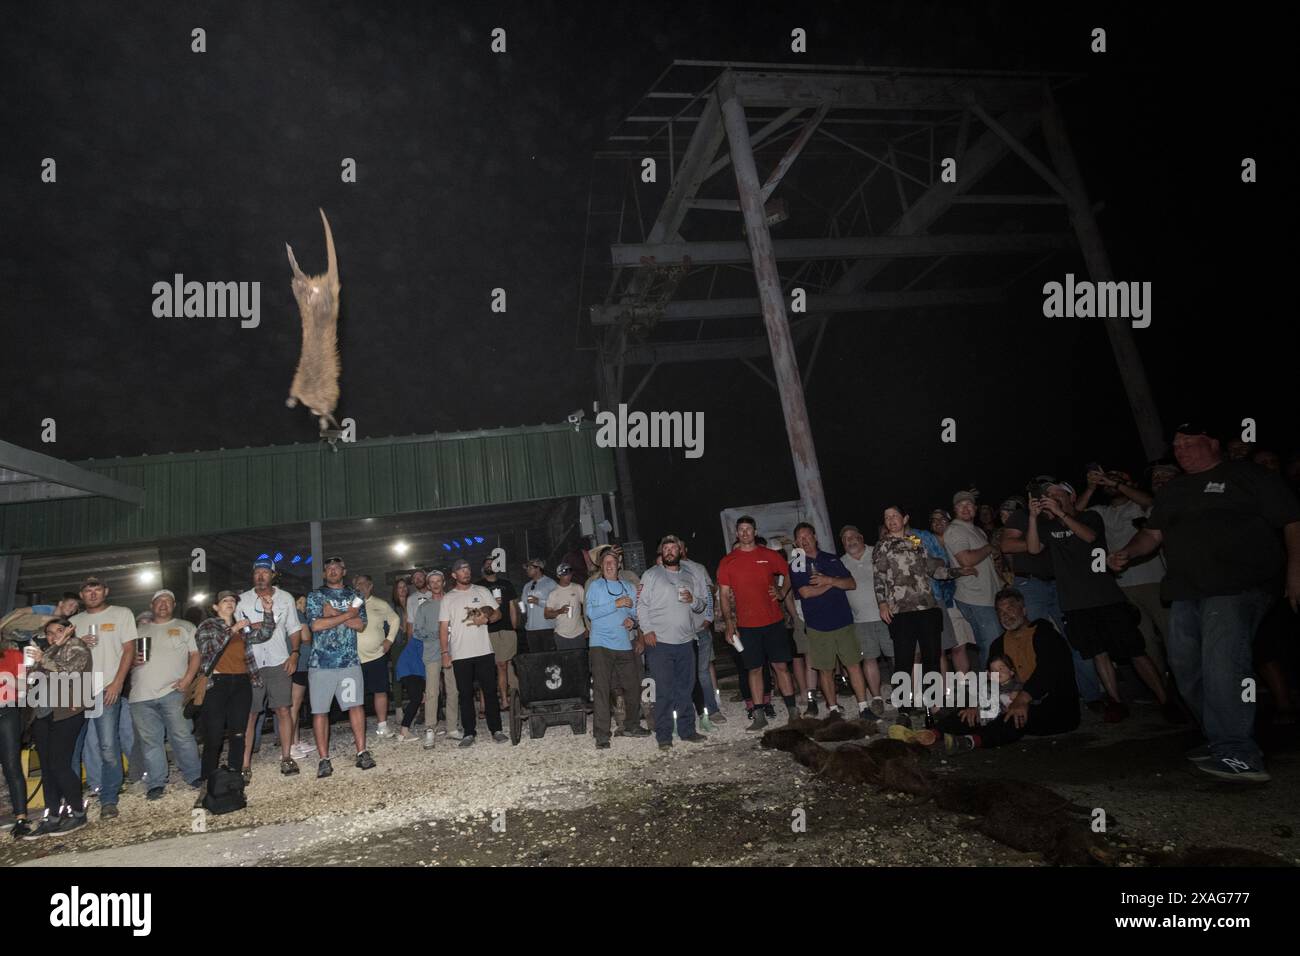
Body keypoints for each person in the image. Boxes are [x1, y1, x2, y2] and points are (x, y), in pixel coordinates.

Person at [1111, 421, 1300, 783]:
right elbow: (1151, 535)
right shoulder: (1175, 491)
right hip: (1185, 591)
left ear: (1212, 442)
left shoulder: (1247, 475)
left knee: (1223, 664)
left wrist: (1295, 574)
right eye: (1176, 444)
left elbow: (1292, 521)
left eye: (1188, 442)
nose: (1180, 449)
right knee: (1185, 667)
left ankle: (1239, 752)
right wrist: (1126, 553)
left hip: (1237, 587)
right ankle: (1218, 740)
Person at [1026, 481, 1169, 722]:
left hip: (1105, 596)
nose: (1049, 497)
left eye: (1055, 493)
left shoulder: (1090, 516)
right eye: (1047, 495)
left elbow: (1090, 537)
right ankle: (1116, 701)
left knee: (1134, 649)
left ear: (1070, 496)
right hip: (1074, 602)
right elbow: (1032, 549)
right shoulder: (1046, 525)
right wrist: (1032, 517)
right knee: (1098, 652)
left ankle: (1165, 699)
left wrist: (1061, 513)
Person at [1076, 466, 1180, 716]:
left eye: (1118, 478)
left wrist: (1118, 483)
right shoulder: (1101, 512)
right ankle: (1164, 694)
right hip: (1121, 586)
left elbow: (1151, 502)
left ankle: (1189, 687)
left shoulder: (1139, 506)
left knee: (1174, 638)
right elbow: (1075, 513)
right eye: (1108, 481)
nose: (1111, 484)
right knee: (1143, 643)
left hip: (1154, 580)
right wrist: (1092, 486)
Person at [1000, 476, 1106, 706]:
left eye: (1051, 491)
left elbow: (1081, 523)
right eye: (1042, 491)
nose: (1046, 495)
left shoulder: (1060, 515)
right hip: (1030, 585)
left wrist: (1088, 489)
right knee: (1037, 641)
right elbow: (1006, 545)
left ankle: (1092, 695)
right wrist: (1038, 540)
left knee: (1076, 639)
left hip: (1062, 584)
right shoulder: (1023, 515)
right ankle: (1041, 697)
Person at [935, 588, 1080, 752]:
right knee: (971, 712)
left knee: (1011, 716)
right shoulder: (999, 644)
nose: (1005, 615)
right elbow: (990, 682)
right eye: (1000, 611)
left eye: (1010, 608)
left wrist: (1023, 699)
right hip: (1010, 700)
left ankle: (970, 742)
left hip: (1053, 707)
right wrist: (977, 706)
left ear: (1024, 610)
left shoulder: (1045, 635)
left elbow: (1048, 672)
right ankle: (931, 734)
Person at [873, 506, 967, 725]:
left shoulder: (917, 541)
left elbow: (933, 569)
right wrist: (883, 603)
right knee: (904, 661)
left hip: (927, 608)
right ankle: (904, 710)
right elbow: (879, 576)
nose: (892, 520)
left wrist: (957, 571)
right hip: (901, 612)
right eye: (887, 518)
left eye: (895, 516)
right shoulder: (883, 545)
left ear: (905, 518)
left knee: (932, 659)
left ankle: (934, 707)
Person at [718, 515, 798, 731]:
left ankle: (793, 712)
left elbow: (788, 572)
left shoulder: (768, 555)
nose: (745, 533)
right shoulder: (728, 561)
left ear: (755, 531)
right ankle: (759, 715)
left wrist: (782, 591)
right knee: (754, 669)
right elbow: (724, 595)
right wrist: (729, 623)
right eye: (741, 529)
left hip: (773, 622)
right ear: (736, 533)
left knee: (780, 666)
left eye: (748, 529)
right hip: (747, 625)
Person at [69, 576, 138, 821]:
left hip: (107, 688)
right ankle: (79, 800)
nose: (93, 593)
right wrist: (76, 642)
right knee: (80, 748)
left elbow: (130, 649)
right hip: (79, 692)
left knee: (109, 746)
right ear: (81, 595)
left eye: (97, 588)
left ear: (105, 591)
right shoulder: (73, 622)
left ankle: (109, 799)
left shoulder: (122, 614)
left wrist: (118, 682)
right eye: (87, 590)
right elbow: (61, 654)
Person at [303, 557, 376, 777]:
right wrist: (346, 615)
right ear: (325, 573)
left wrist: (333, 614)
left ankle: (361, 752)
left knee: (355, 706)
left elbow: (359, 625)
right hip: (320, 664)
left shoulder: (355, 596)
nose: (333, 571)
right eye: (329, 569)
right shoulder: (316, 595)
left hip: (349, 663)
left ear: (344, 571)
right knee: (320, 711)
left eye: (337, 568)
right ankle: (324, 759)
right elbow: (316, 625)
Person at [789, 522, 871, 716]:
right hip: (818, 625)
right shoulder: (797, 563)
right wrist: (833, 583)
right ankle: (833, 708)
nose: (805, 541)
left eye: (807, 536)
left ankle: (864, 707)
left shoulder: (831, 558)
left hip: (843, 621)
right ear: (795, 543)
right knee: (825, 670)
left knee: (853, 665)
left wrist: (829, 580)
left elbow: (851, 583)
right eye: (800, 538)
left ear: (815, 536)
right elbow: (805, 592)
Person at [194, 591, 275, 786]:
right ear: (215, 607)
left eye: (232, 600)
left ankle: (235, 775)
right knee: (213, 735)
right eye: (225, 600)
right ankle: (208, 780)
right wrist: (233, 630)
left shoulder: (241, 625)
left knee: (238, 732)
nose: (230, 603)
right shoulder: (208, 625)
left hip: (242, 682)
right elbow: (209, 650)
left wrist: (268, 612)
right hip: (217, 683)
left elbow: (264, 634)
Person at [22, 617, 93, 839]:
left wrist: (46, 657)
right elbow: (33, 676)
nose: (53, 635)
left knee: (59, 764)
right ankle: (52, 816)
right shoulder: (50, 650)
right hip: (43, 714)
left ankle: (78, 813)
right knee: (47, 767)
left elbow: (70, 674)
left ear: (70, 631)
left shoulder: (77, 646)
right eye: (49, 633)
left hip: (68, 712)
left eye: (59, 630)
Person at [637, 535, 710, 750]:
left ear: (680, 551)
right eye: (666, 548)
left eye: (673, 548)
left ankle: (687, 730)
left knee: (685, 688)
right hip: (659, 642)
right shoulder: (651, 575)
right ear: (661, 552)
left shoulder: (690, 574)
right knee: (664, 691)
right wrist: (647, 630)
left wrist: (693, 600)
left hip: (686, 641)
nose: (669, 551)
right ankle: (664, 736)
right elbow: (641, 605)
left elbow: (701, 605)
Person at [129, 590, 202, 797]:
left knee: (182, 735)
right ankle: (156, 783)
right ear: (152, 605)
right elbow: (123, 659)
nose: (163, 605)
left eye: (168, 601)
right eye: (159, 601)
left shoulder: (185, 626)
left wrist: (188, 679)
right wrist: (132, 661)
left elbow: (196, 655)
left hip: (173, 691)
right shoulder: (137, 630)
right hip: (141, 696)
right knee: (151, 741)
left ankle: (194, 775)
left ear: (174, 605)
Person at [237, 560, 306, 777]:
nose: (260, 576)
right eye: (257, 572)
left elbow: (294, 629)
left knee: (283, 710)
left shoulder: (285, 598)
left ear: (273, 575)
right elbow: (238, 631)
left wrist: (294, 653)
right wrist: (251, 627)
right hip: (252, 664)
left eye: (265, 572)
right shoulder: (242, 601)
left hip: (278, 661)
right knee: (250, 713)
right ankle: (245, 765)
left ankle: (286, 757)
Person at [438, 558, 508, 747]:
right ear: (454, 575)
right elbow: (443, 627)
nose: (466, 572)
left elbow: (498, 614)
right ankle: (469, 732)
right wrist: (445, 652)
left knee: (490, 691)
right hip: (460, 653)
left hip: (484, 650)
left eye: (468, 568)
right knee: (465, 694)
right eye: (461, 570)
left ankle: (497, 729)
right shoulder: (448, 598)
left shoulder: (482, 591)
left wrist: (486, 619)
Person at [586, 549, 650, 748]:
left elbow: (634, 612)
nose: (609, 565)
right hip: (600, 644)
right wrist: (616, 603)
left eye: (612, 562)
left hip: (623, 644)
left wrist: (633, 620)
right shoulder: (595, 586)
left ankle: (631, 725)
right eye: (605, 562)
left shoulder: (629, 586)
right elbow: (591, 613)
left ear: (618, 564)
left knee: (633, 687)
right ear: (601, 565)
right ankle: (602, 735)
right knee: (602, 690)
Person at [945, 490, 1004, 667]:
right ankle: (989, 689)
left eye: (969, 505)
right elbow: (966, 560)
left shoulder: (978, 530)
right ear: (955, 509)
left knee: (995, 644)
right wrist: (988, 548)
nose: (965, 508)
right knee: (991, 645)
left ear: (975, 508)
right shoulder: (955, 530)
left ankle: (994, 686)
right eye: (960, 505)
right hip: (974, 598)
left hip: (990, 596)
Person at [840, 524, 892, 716]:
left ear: (861, 537)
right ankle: (877, 697)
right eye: (846, 538)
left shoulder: (877, 552)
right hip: (860, 620)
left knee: (895, 655)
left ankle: (904, 694)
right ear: (843, 544)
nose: (851, 540)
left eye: (854, 536)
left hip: (887, 615)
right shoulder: (841, 563)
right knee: (869, 658)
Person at [680, 541, 725, 728]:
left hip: (700, 629)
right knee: (684, 674)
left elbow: (709, 593)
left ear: (684, 549)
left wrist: (709, 618)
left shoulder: (697, 568)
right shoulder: (662, 572)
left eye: (680, 547)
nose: (677, 550)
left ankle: (713, 710)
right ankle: (688, 713)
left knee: (703, 672)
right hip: (680, 633)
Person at [928, 508, 977, 676]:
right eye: (934, 520)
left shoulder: (959, 538)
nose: (938, 522)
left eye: (942, 519)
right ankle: (953, 688)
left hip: (967, 596)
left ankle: (969, 683)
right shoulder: (927, 543)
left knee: (967, 643)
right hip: (942, 601)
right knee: (951, 647)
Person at [353, 573, 401, 740]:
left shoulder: (380, 604)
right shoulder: (348, 605)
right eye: (357, 584)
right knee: (355, 695)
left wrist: (389, 640)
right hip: (353, 658)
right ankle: (357, 730)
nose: (360, 586)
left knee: (380, 691)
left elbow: (395, 620)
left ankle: (382, 727)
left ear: (370, 585)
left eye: (363, 583)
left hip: (376, 655)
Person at [415, 571, 458, 739]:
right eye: (431, 582)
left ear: (443, 582)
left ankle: (452, 727)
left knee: (453, 690)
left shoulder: (452, 602)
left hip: (454, 651)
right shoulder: (424, 607)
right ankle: (430, 728)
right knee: (432, 691)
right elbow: (417, 632)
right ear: (428, 585)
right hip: (432, 653)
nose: (435, 584)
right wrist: (437, 634)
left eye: (438, 581)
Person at [477, 558, 520, 711]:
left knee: (506, 665)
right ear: (482, 567)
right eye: (486, 563)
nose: (489, 565)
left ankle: (507, 700)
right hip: (488, 630)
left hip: (506, 629)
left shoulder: (506, 584)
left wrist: (514, 627)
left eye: (492, 563)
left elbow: (512, 606)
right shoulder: (478, 586)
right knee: (490, 667)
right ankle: (488, 703)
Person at [1, 630, 31, 837]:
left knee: (12, 765)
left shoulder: (13, 655)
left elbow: (25, 688)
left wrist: (9, 679)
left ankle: (21, 818)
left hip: (6, 712)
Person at [393, 595, 425, 743]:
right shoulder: (424, 632)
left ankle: (404, 730)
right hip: (410, 668)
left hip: (412, 668)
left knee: (417, 698)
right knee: (416, 698)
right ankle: (404, 731)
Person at [288, 593, 314, 760]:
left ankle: (295, 742)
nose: (303, 605)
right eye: (300, 601)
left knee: (295, 706)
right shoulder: (297, 615)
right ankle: (290, 745)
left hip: (300, 663)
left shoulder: (295, 615)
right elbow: (306, 637)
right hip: (299, 663)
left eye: (305, 602)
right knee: (294, 706)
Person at [545, 563, 588, 649]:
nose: (568, 576)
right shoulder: (554, 593)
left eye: (570, 574)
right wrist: (559, 611)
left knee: (580, 660)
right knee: (565, 661)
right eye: (565, 574)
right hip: (561, 634)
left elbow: (588, 607)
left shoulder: (578, 588)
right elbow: (546, 615)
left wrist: (588, 627)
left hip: (579, 632)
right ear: (558, 575)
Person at [520, 558, 559, 653]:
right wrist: (521, 609)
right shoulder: (527, 585)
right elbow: (523, 603)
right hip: (531, 628)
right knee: (535, 659)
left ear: (538, 569)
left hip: (547, 627)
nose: (527, 570)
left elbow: (557, 604)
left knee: (549, 658)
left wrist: (538, 601)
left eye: (530, 568)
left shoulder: (550, 583)